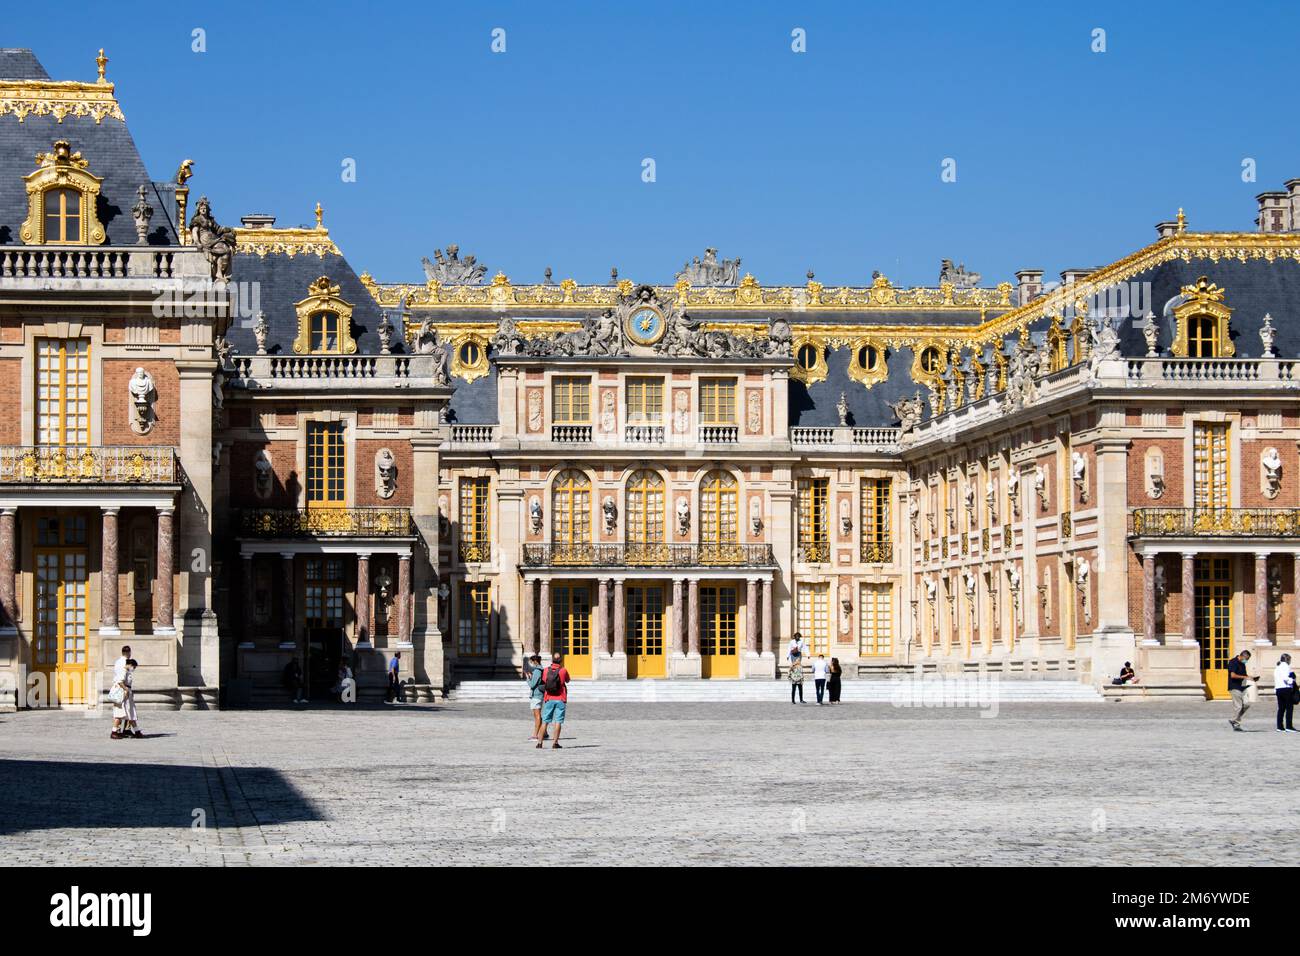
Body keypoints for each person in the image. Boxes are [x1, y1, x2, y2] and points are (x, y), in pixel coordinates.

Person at [537, 652, 570, 749]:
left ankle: (539, 743)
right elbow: (567, 680)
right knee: (558, 721)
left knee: (545, 721)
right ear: (561, 660)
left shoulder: (546, 670)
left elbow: (544, 680)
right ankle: (555, 743)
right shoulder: (563, 670)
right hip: (560, 698)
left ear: (552, 660)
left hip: (549, 698)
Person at [1228, 649, 1260, 732]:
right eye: (1246, 658)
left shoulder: (1243, 664)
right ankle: (1236, 723)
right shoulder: (1233, 662)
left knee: (1246, 704)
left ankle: (1234, 720)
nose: (1247, 660)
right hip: (1234, 687)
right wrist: (1245, 677)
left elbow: (1244, 675)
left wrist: (1252, 678)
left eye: (1248, 659)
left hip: (1242, 686)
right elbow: (1233, 675)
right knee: (1238, 706)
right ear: (1241, 656)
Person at [525, 654, 548, 741]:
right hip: (539, 694)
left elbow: (532, 684)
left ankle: (535, 735)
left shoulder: (537, 671)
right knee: (538, 715)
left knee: (537, 715)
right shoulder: (540, 670)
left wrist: (528, 677)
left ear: (535, 661)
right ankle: (544, 732)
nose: (530, 664)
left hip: (537, 695)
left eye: (531, 662)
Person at [110, 645, 131, 739]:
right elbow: (121, 678)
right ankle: (115, 731)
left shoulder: (117, 661)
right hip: (123, 688)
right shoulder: (126, 662)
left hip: (117, 688)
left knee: (124, 710)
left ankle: (124, 730)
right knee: (122, 711)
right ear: (128, 652)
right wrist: (126, 689)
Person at [1275, 653, 1297, 733]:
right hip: (1286, 689)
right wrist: (1292, 680)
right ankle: (1289, 726)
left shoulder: (1277, 667)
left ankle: (1280, 726)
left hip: (1278, 689)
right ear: (1287, 659)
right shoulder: (1286, 666)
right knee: (1289, 708)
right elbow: (1285, 678)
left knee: (1281, 708)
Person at [122, 659, 142, 738]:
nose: (133, 669)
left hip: (129, 693)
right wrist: (126, 690)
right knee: (130, 712)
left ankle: (128, 729)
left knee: (130, 712)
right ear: (130, 665)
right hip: (126, 694)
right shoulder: (124, 672)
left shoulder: (128, 672)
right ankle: (136, 731)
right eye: (133, 667)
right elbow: (121, 682)